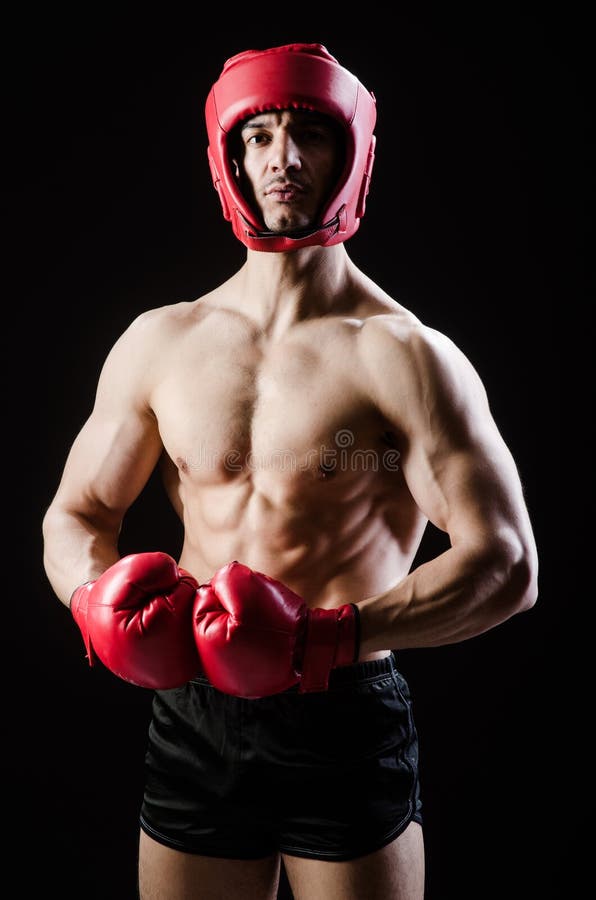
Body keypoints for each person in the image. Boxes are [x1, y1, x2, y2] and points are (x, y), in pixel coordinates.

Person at [42, 42, 539, 900]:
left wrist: (329, 639)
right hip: (194, 714)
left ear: (351, 154)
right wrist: (93, 601)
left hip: (345, 716)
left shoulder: (405, 357)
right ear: (228, 157)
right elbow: (76, 513)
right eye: (259, 136)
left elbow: (507, 563)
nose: (283, 158)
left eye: (308, 134)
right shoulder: (162, 343)